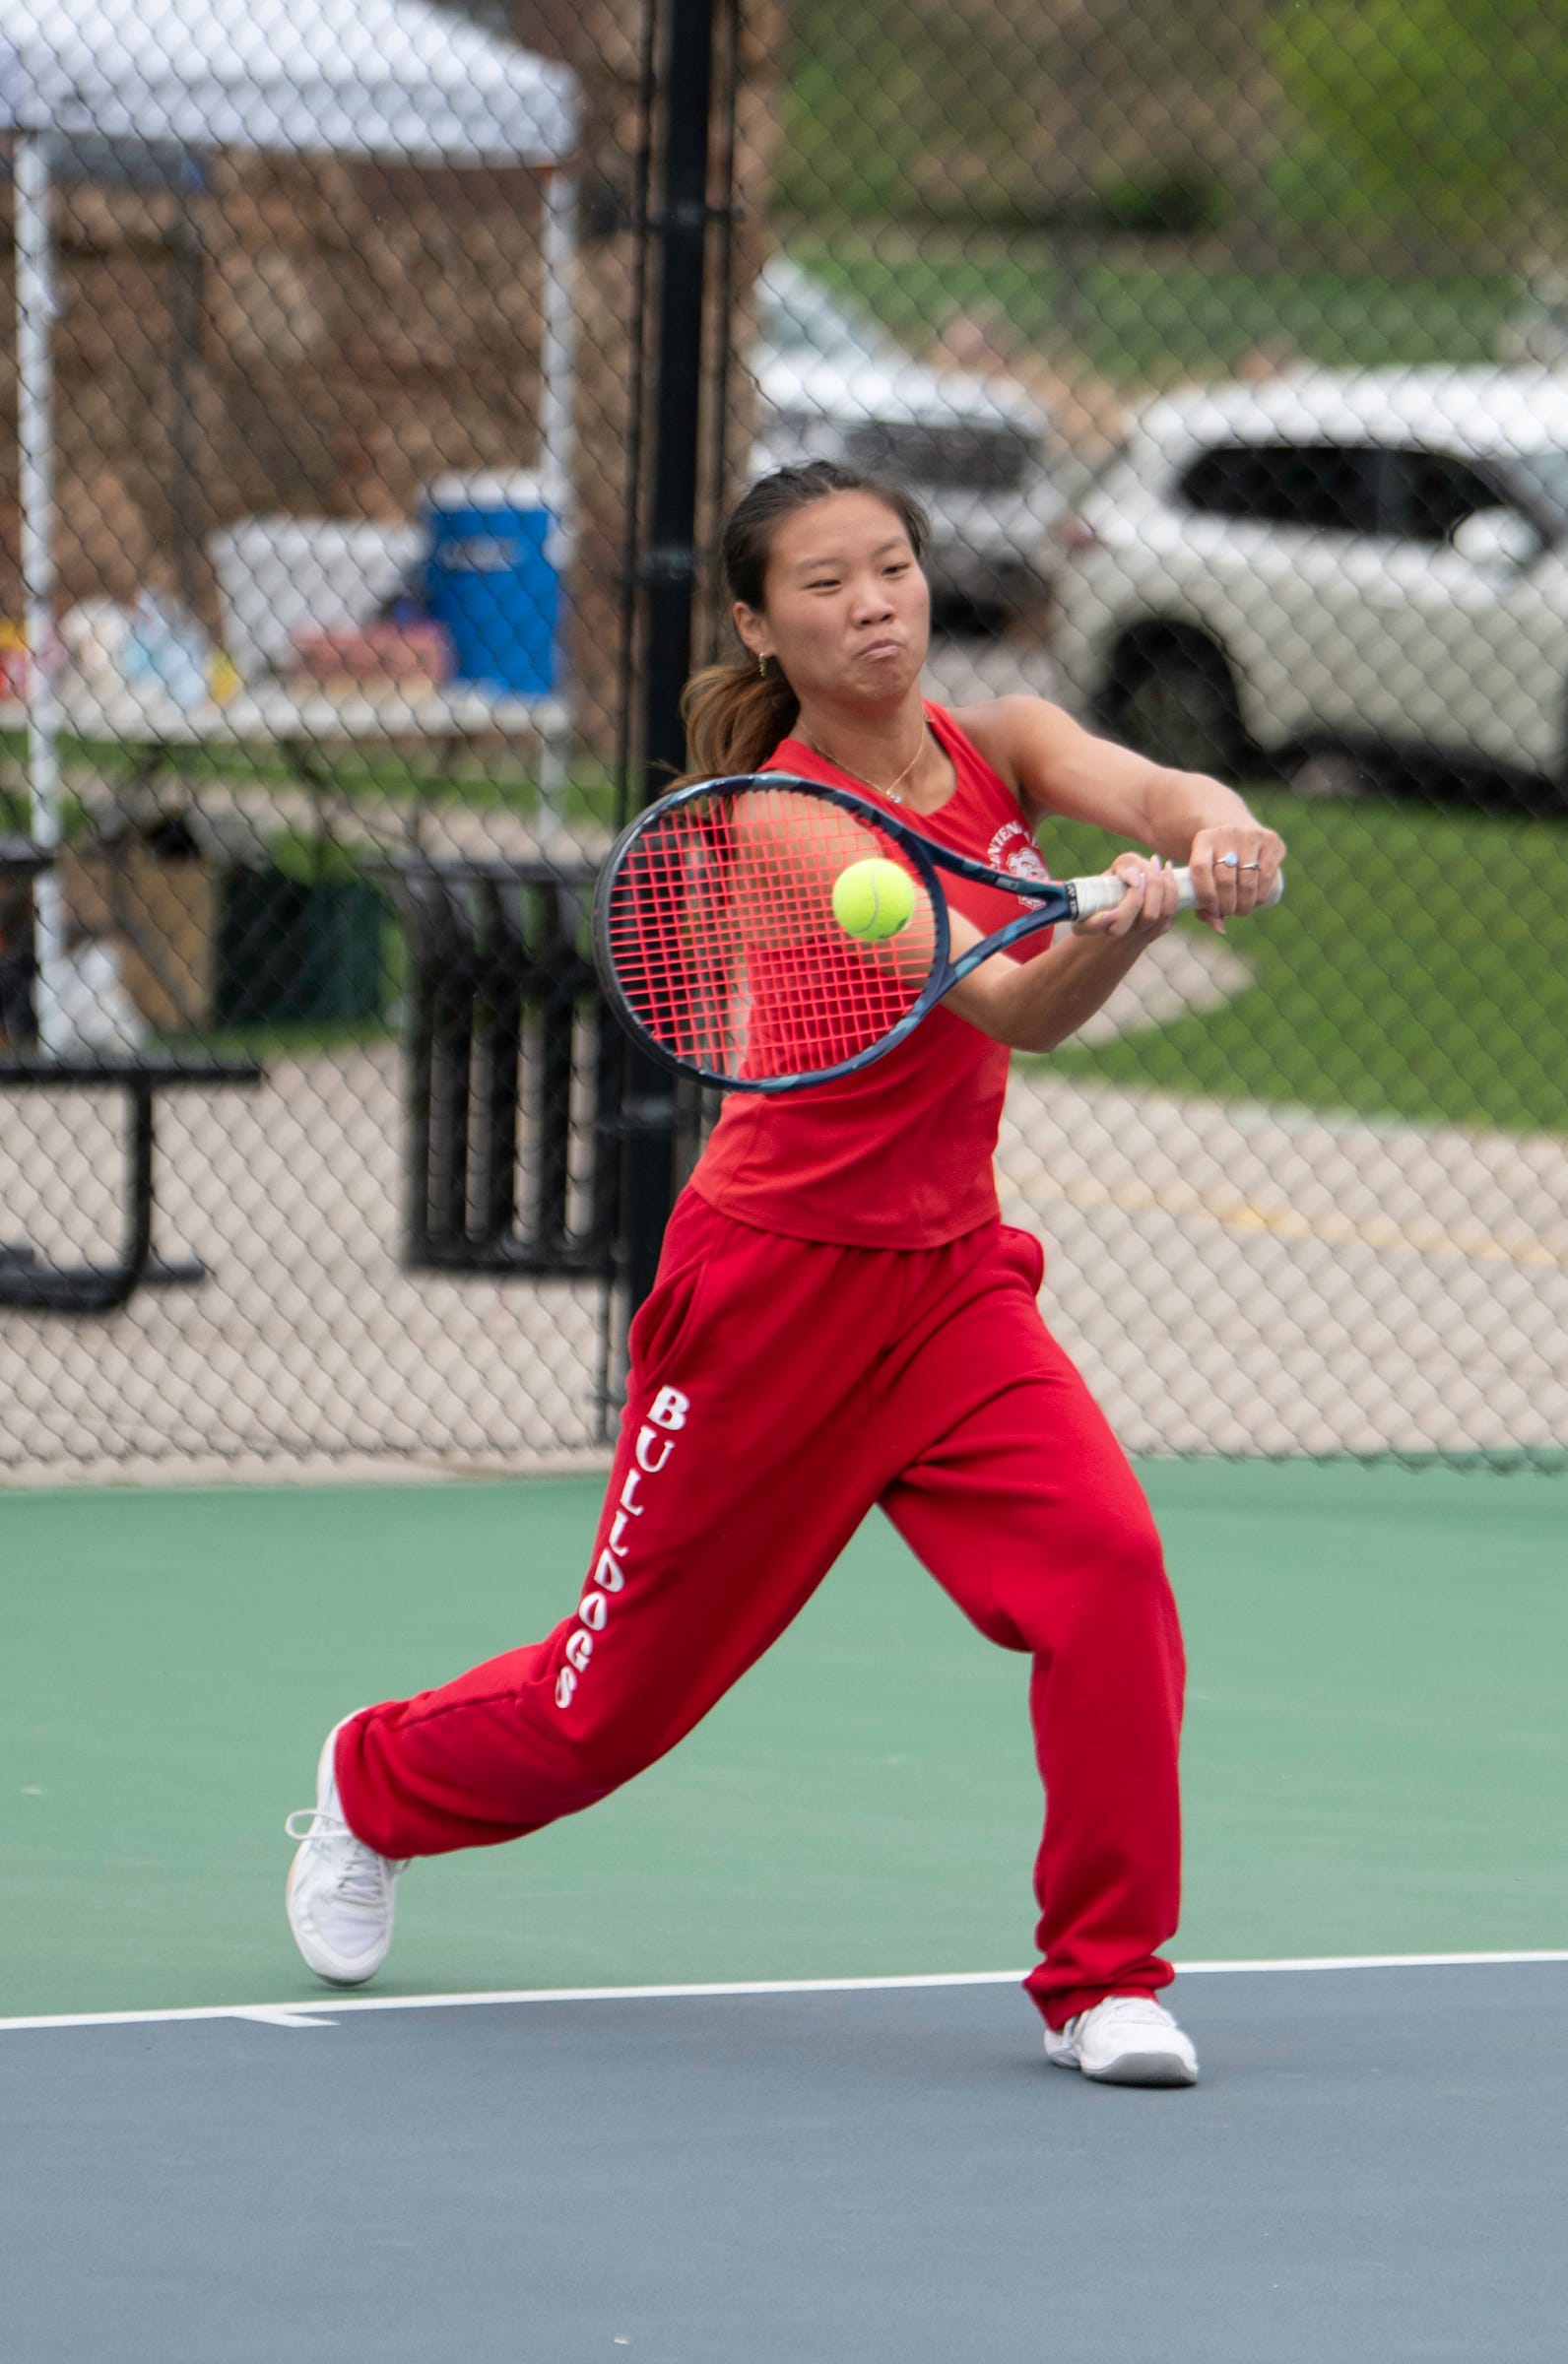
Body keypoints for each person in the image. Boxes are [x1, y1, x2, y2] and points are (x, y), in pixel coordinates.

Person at [286, 460, 1284, 2088]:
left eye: (892, 566)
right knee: (607, 1712)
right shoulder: (786, 818)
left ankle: (1105, 1982)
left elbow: (1162, 788)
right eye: (825, 584)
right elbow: (1015, 1001)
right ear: (762, 624)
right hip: (767, 1304)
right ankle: (371, 1782)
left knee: (1106, 1571)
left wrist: (1219, 834)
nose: (874, 602)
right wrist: (1126, 926)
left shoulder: (1009, 742)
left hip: (951, 1290)